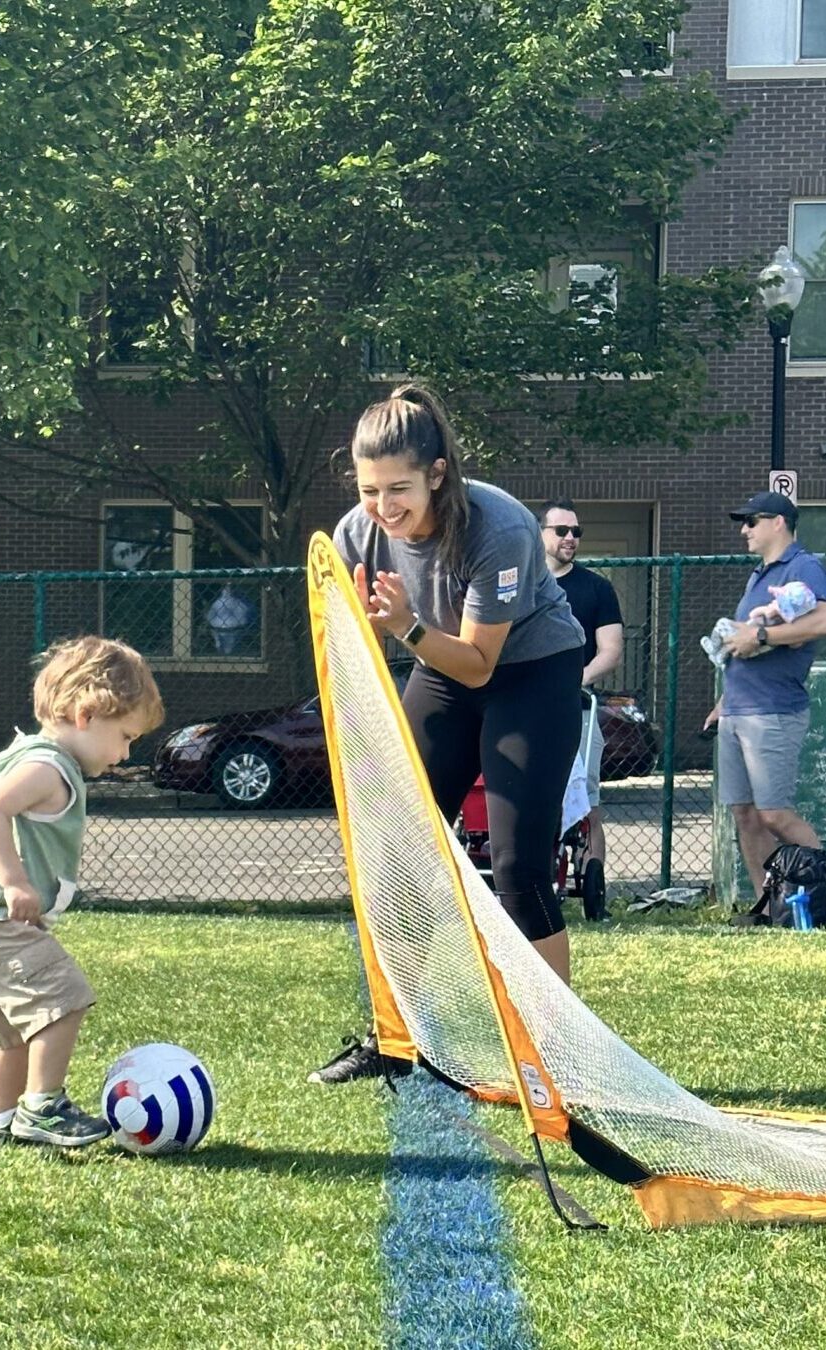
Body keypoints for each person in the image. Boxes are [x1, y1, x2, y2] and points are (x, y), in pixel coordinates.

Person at [310, 383, 585, 1085]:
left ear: (437, 474)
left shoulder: (500, 527)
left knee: (519, 866)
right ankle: (396, 1038)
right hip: (438, 666)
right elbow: (352, 645)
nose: (382, 507)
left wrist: (405, 626)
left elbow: (478, 661)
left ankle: (559, 1054)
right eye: (369, 490)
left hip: (528, 672)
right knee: (400, 856)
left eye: (398, 488)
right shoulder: (355, 533)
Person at [0, 635, 164, 1148]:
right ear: (86, 715)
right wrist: (12, 882)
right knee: (64, 999)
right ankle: (42, 1108)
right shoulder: (48, 768)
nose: (126, 753)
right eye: (125, 737)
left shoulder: (20, 755)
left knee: (11, 1033)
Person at [703, 491, 826, 899]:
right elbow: (741, 645)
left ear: (778, 522)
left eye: (751, 521)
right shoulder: (760, 573)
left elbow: (821, 620)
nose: (744, 530)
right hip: (738, 710)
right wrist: (724, 703)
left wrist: (760, 635)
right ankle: (768, 908)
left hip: (773, 711)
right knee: (746, 815)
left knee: (774, 814)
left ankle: (820, 896)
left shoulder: (803, 566)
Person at [539, 499, 625, 920]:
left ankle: (594, 893)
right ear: (540, 534)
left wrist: (576, 679)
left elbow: (611, 650)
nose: (570, 538)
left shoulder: (596, 589)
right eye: (561, 531)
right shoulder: (525, 585)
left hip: (577, 711)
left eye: (576, 532)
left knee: (587, 800)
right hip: (525, 710)